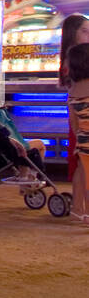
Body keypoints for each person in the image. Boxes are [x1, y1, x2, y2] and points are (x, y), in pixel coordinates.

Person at [58, 14, 89, 186]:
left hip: (79, 118)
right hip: (81, 118)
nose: (88, 35)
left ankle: (79, 201)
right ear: (73, 33)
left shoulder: (73, 58)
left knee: (80, 163)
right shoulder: (74, 61)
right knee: (80, 163)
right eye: (84, 31)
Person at [65, 42, 89, 222]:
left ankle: (79, 210)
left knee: (84, 174)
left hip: (83, 139)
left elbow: (73, 122)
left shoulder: (72, 91)